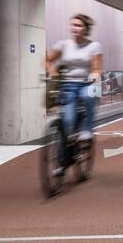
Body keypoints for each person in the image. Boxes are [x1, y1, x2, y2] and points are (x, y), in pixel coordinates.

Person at [45, 14, 102, 170]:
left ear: (86, 29)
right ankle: (61, 162)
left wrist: (94, 75)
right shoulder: (63, 45)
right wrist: (52, 73)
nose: (74, 28)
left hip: (86, 83)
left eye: (78, 25)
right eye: (73, 25)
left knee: (88, 95)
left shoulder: (94, 46)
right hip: (68, 85)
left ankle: (87, 130)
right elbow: (47, 59)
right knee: (67, 121)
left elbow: (97, 68)